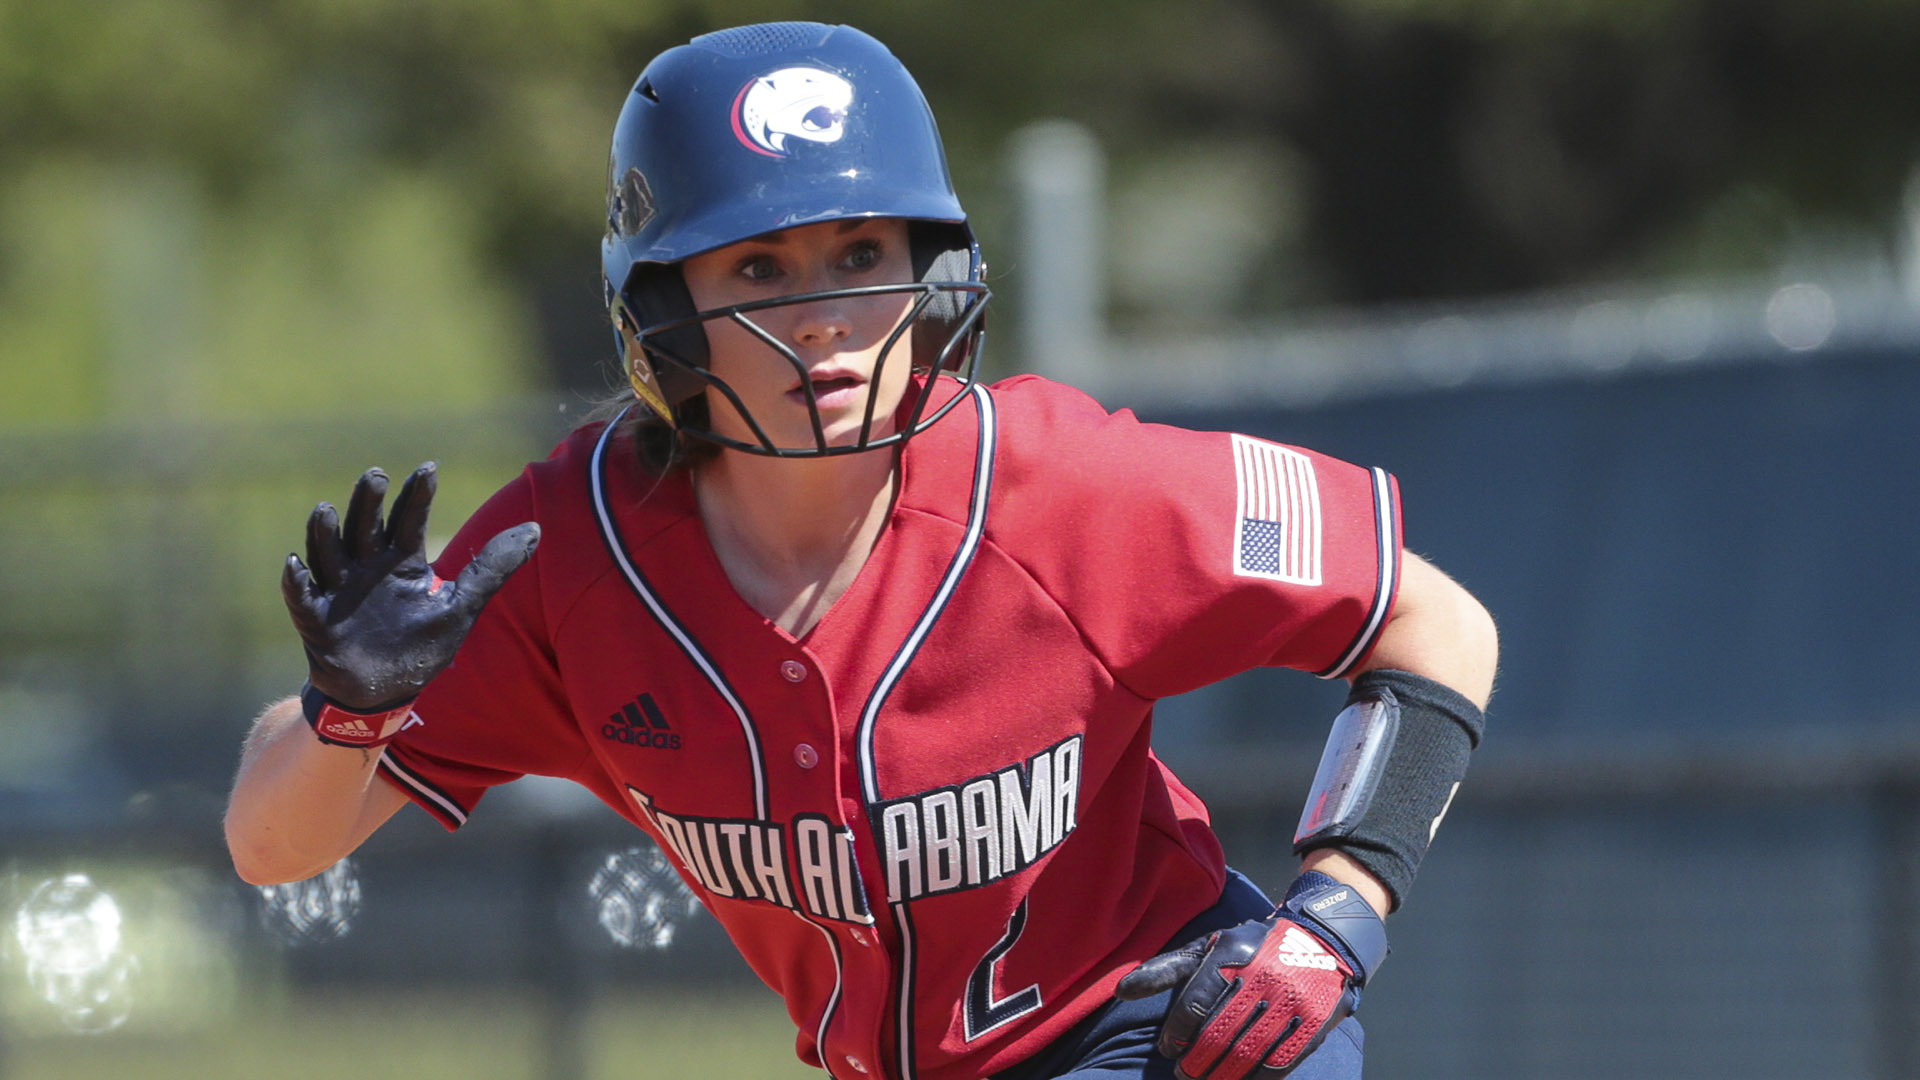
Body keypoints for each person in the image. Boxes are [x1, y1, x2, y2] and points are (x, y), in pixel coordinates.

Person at [224, 21, 1497, 1080]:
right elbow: (270, 847)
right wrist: (349, 713)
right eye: (759, 266)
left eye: (860, 254)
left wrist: (1337, 913)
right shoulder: (571, 554)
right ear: (663, 312)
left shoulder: (1064, 487)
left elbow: (1433, 622)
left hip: (1168, 1027)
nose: (823, 317)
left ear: (931, 276)